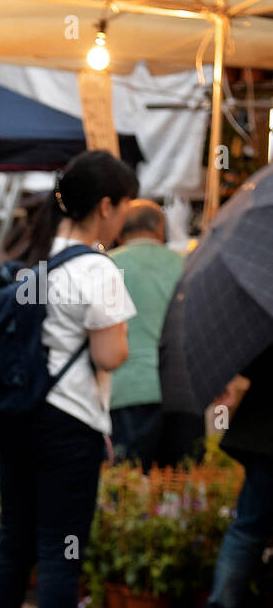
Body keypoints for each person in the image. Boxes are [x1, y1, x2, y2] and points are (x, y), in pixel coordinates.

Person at [0, 150, 138, 608]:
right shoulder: (98, 269)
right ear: (106, 206)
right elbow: (111, 353)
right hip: (67, 425)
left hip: (16, 418)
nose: (122, 220)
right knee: (60, 549)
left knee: (14, 537)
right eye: (122, 208)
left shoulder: (35, 261)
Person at [193, 346, 273, 608]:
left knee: (246, 529)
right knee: (248, 529)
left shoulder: (264, 303)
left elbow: (249, 358)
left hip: (264, 431)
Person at [108, 200, 185, 468]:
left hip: (125, 392)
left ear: (119, 231)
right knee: (179, 492)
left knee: (129, 491)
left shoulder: (106, 267)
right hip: (182, 394)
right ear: (161, 230)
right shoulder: (187, 265)